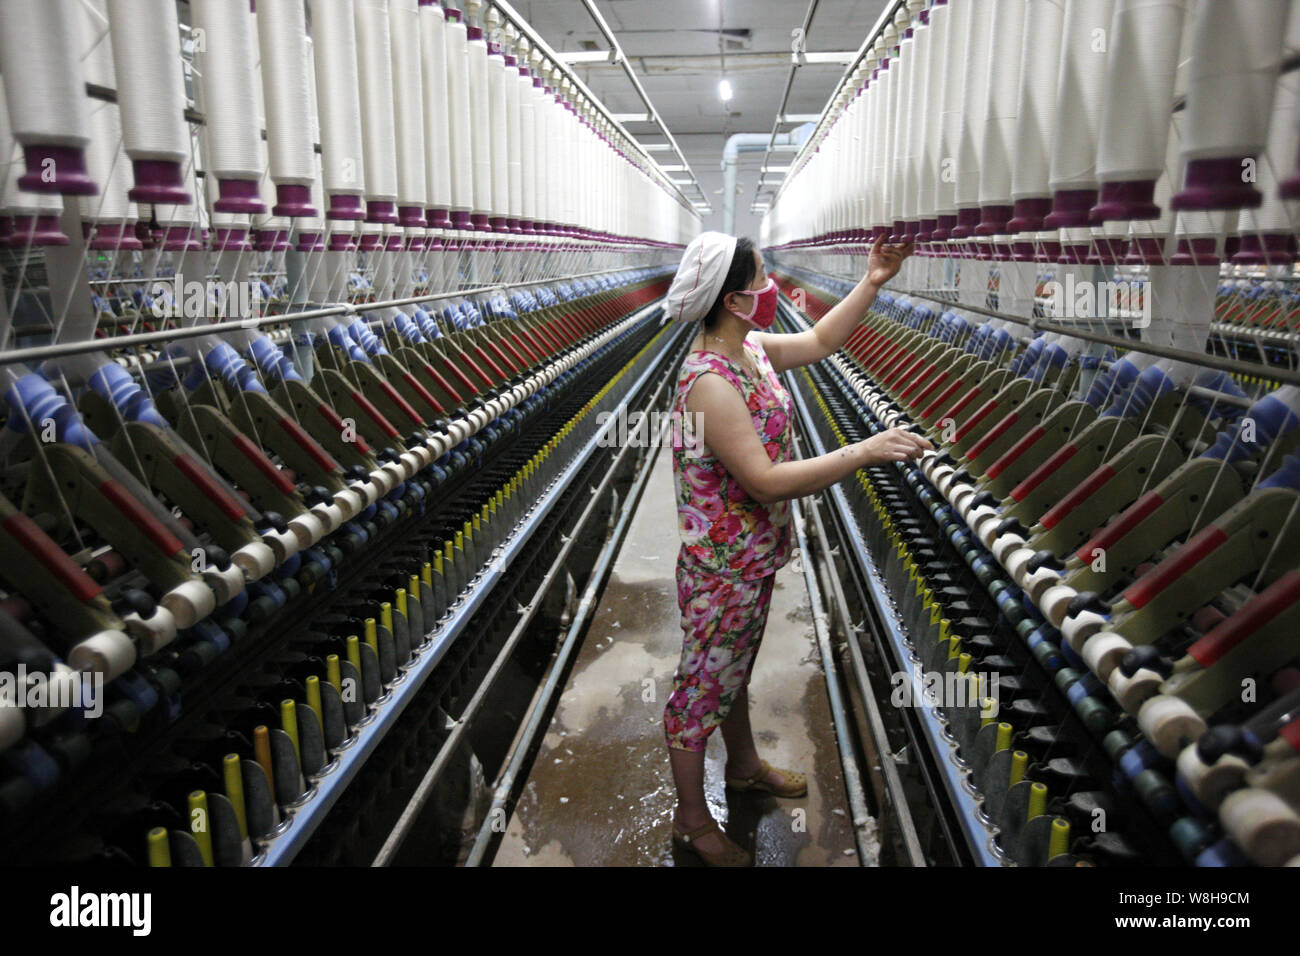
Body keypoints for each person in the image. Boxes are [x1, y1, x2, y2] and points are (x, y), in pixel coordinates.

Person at [661, 231, 931, 866]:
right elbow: (764, 479)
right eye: (759, 281)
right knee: (699, 691)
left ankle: (745, 767)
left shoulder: (749, 349)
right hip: (720, 571)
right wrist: (860, 451)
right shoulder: (709, 382)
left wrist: (872, 281)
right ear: (731, 301)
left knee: (732, 671)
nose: (769, 288)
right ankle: (693, 822)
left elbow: (820, 341)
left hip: (752, 556)